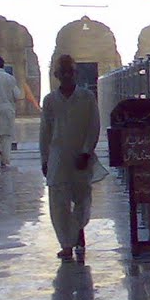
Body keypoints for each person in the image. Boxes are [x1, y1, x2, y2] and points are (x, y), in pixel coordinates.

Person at [40, 53, 101, 260]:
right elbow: (45, 131)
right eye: (63, 72)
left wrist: (86, 151)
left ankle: (76, 231)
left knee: (82, 199)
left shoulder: (87, 98)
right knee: (58, 203)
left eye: (70, 72)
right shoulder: (50, 101)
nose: (67, 76)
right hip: (58, 157)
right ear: (57, 75)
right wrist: (45, 159)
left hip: (81, 156)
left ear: (75, 74)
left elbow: (93, 126)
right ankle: (66, 243)